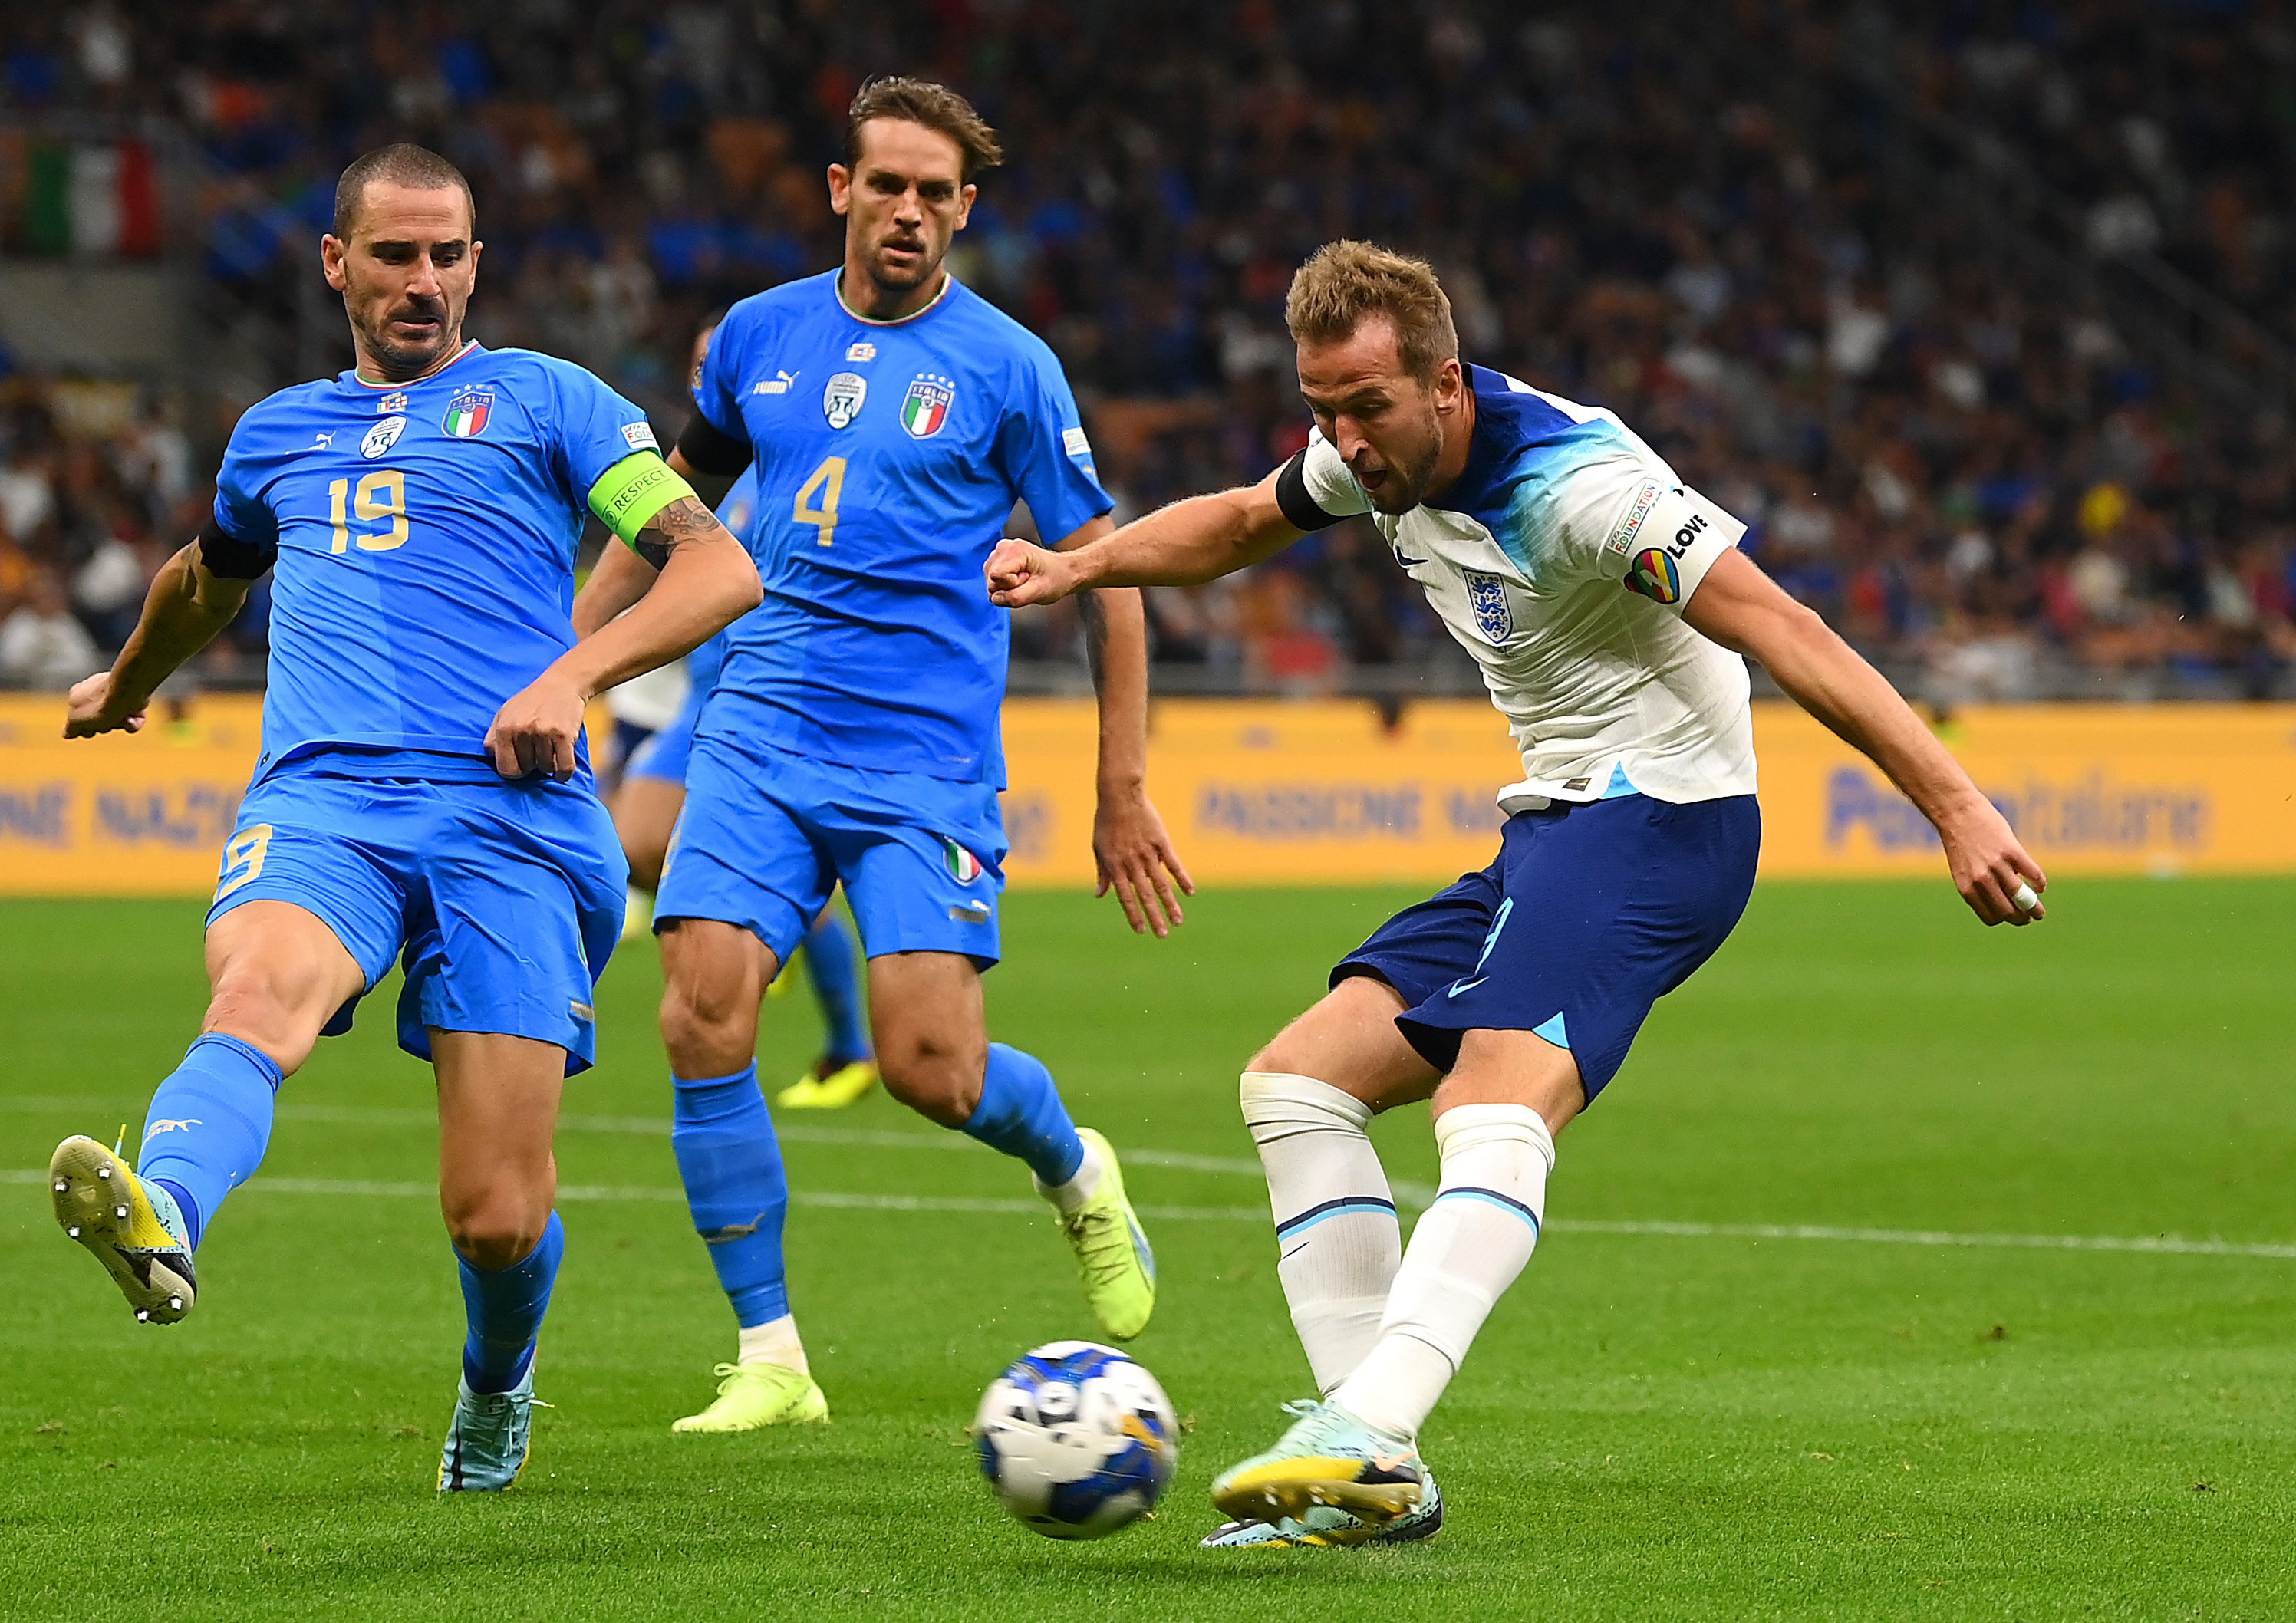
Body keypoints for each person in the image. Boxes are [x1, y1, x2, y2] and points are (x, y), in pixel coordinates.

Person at [986, 241, 2047, 1549]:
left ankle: (1367, 1428)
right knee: (1296, 1083)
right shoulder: (1372, 452)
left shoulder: (1579, 487)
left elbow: (1786, 629)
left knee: (1492, 1082)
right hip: (1552, 822)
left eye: (1365, 408)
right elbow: (1240, 519)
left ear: (1442, 383)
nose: (1343, 440)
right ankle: (1373, 1465)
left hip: (1665, 815)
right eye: (1320, 408)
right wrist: (1082, 567)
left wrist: (1954, 806)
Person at [47, 143, 757, 1495]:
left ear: (476, 266)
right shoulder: (274, 436)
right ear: (336, 264)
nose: (422, 281)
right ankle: (164, 1216)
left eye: (447, 255)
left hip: (513, 821)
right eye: (393, 255)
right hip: (323, 801)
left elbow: (716, 569)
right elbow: (210, 581)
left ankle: (497, 1386)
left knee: (495, 1218)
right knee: (256, 992)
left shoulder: (547, 403)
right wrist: (124, 685)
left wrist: (567, 673)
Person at [578, 77, 1194, 1434]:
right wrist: (570, 660)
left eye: (936, 193)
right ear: (838, 188)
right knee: (698, 1006)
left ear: (964, 210)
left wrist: (1120, 787)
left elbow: (1112, 573)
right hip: (758, 730)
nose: (908, 210)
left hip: (922, 761)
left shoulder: (1009, 367)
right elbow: (664, 508)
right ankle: (770, 1354)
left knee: (931, 1067)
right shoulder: (754, 338)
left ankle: (1074, 1165)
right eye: (887, 184)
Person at [609, 314, 875, 1109]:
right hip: (702, 702)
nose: (706, 383)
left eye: (715, 369)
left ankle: (848, 1049)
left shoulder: (795, 468)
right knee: (633, 844)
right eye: (697, 370)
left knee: (742, 869)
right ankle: (770, 934)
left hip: (775, 708)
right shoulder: (692, 482)